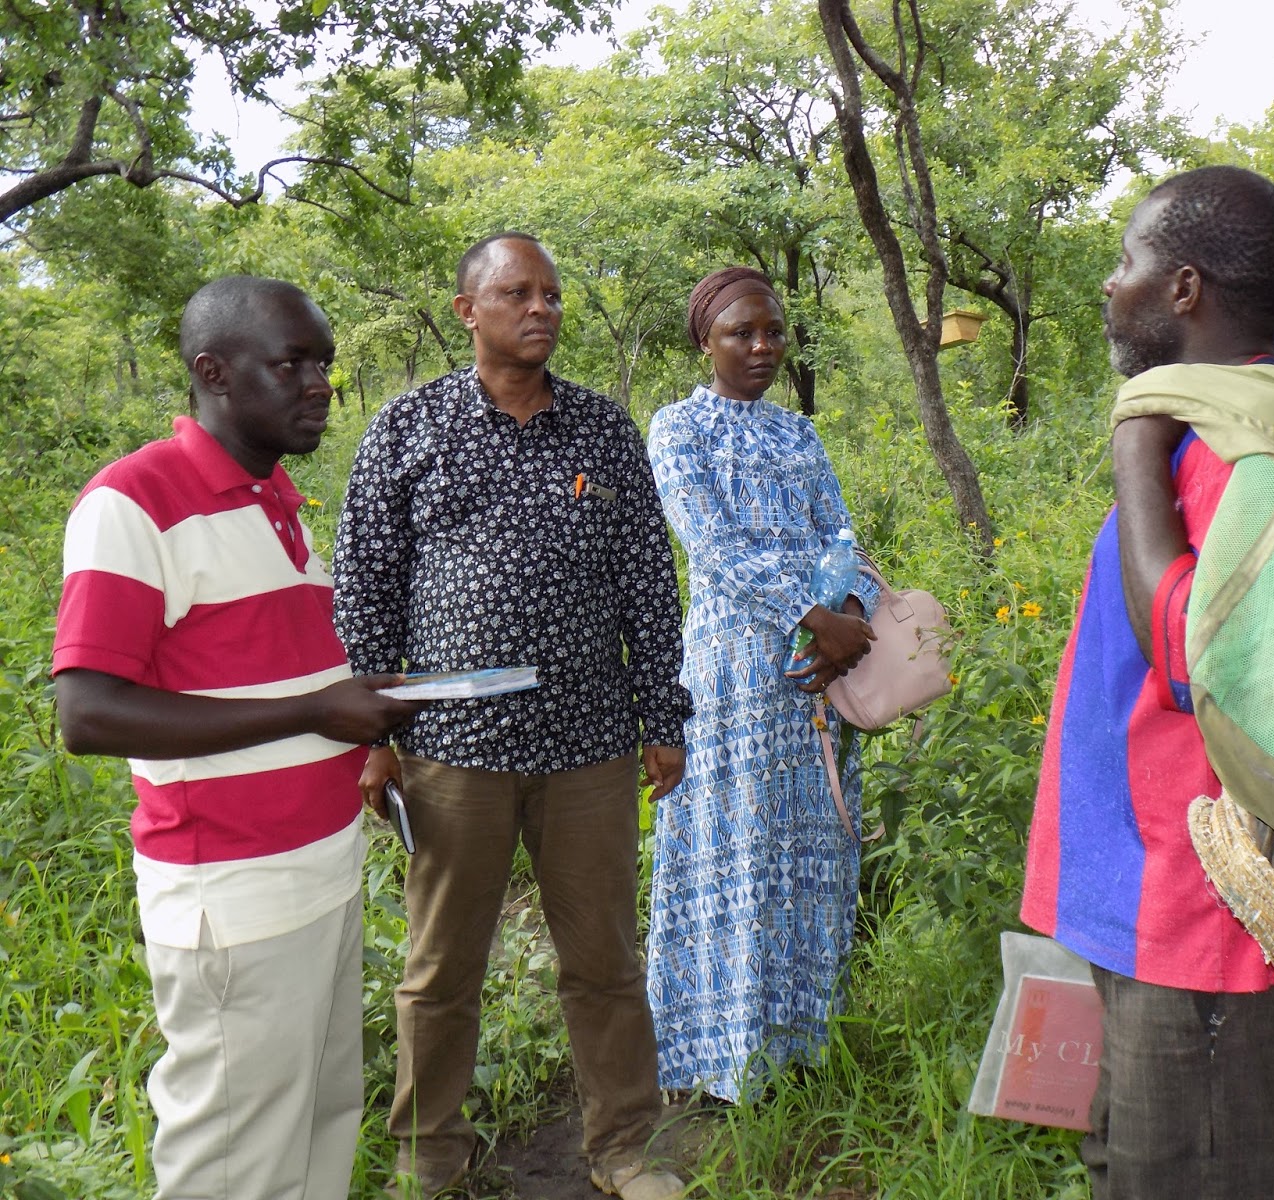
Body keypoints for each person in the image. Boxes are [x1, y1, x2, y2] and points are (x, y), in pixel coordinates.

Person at [1020, 166, 1274, 1200]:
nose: (1109, 284)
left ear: (1183, 288)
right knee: (1135, 1166)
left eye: (1127, 260)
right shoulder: (1214, 428)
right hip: (1156, 906)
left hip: (1218, 937)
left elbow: (1190, 657)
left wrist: (1134, 439)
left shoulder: (1246, 449)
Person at [332, 232, 692, 1200]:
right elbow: (365, 586)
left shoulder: (603, 431)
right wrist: (376, 738)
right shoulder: (409, 428)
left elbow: (647, 582)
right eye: (516, 293)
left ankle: (624, 1147)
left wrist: (662, 716)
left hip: (590, 745)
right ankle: (428, 1155)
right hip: (452, 752)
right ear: (466, 311)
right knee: (441, 968)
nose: (541, 308)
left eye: (552, 294)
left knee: (604, 961)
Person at [52, 276, 425, 1200]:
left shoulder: (275, 502)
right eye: (291, 363)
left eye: (325, 364)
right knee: (235, 1159)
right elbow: (88, 713)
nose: (320, 384)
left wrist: (361, 713)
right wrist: (315, 713)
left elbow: (279, 673)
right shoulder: (135, 500)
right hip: (234, 894)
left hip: (320, 874)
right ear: (212, 372)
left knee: (319, 1124)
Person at [643, 267, 879, 1103]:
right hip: (731, 680)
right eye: (741, 333)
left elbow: (840, 534)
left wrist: (850, 613)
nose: (761, 347)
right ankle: (718, 1060)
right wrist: (815, 616)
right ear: (705, 342)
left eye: (773, 332)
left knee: (810, 857)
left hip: (818, 679)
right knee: (732, 859)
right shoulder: (678, 428)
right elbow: (711, 548)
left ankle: (803, 1045)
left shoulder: (798, 435)